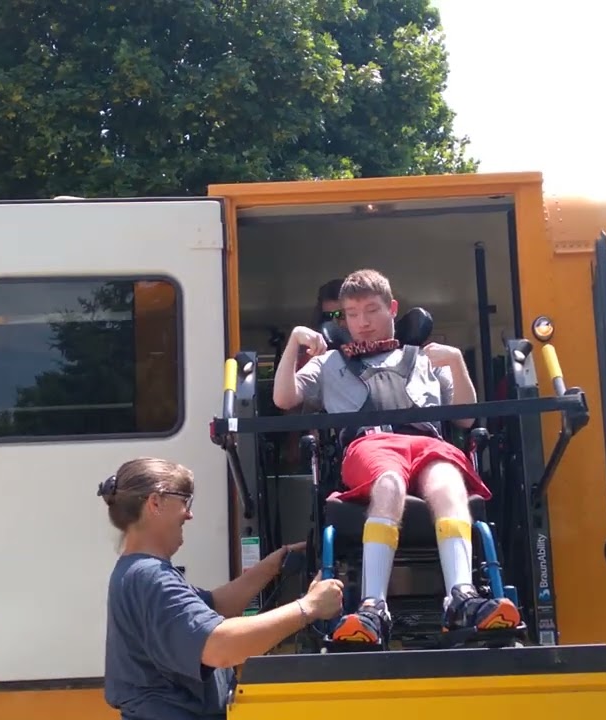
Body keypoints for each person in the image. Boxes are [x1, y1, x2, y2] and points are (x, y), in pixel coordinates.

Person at [271, 268, 522, 646]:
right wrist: (294, 344)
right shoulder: (329, 364)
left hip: (426, 443)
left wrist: (455, 362)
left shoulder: (423, 358)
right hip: (369, 446)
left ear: (392, 309)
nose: (362, 323)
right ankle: (374, 606)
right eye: (351, 315)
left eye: (371, 311)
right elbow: (283, 399)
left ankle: (462, 596)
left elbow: (467, 417)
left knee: (450, 481)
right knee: (388, 481)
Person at [99, 457, 344, 719]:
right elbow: (220, 647)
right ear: (155, 503)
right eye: (184, 501)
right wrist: (308, 607)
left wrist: (271, 567)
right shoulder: (149, 578)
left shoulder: (136, 571)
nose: (189, 514)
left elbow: (215, 605)